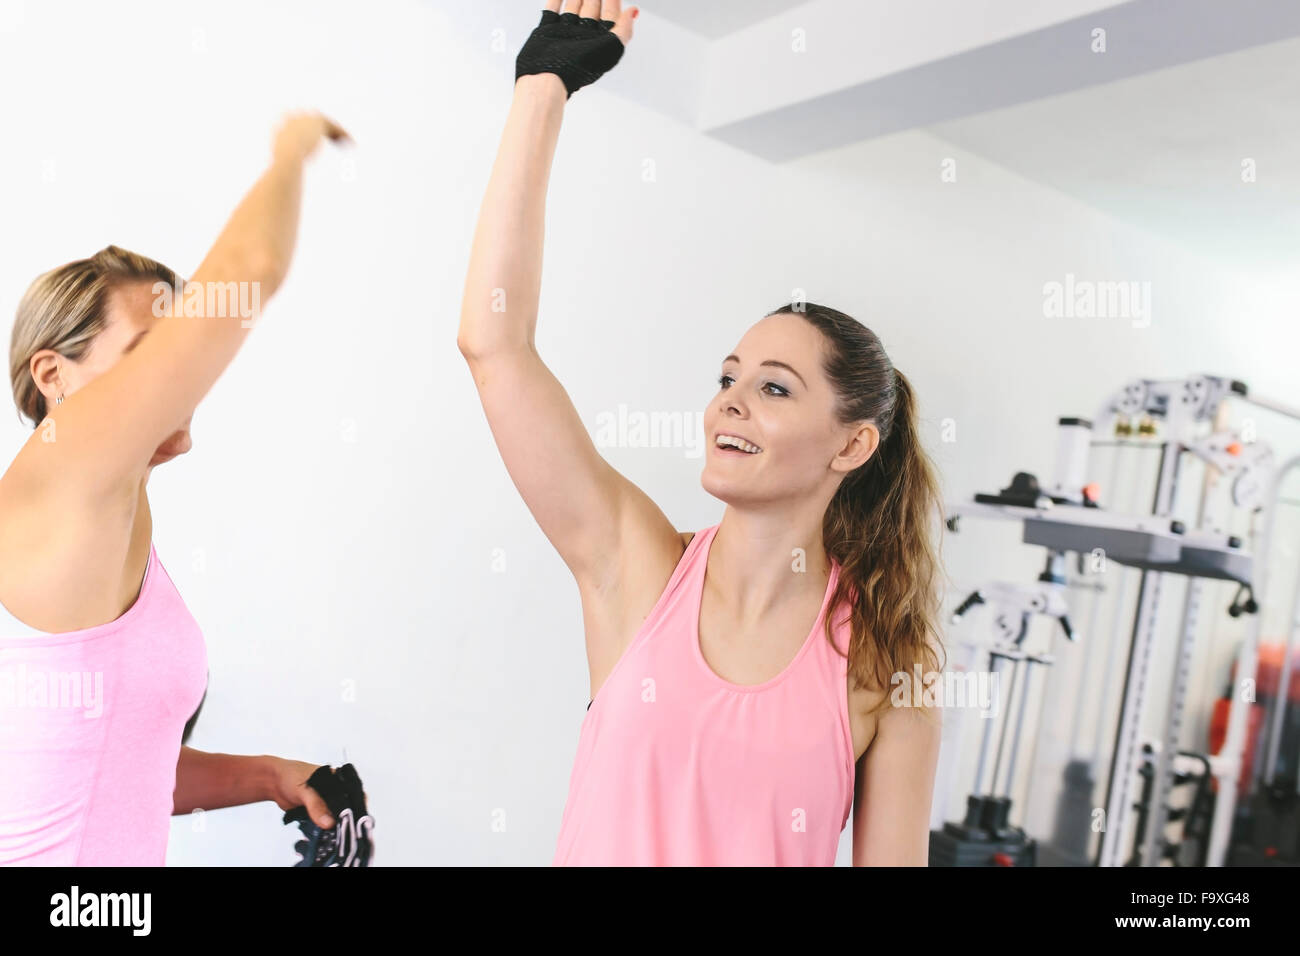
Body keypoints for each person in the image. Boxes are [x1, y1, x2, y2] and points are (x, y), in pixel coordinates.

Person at [458, 0, 947, 865]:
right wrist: (544, 87)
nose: (730, 401)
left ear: (851, 445)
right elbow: (493, 344)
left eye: (773, 388)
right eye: (727, 379)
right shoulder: (636, 568)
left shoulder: (882, 661)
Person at [0, 113, 351, 865]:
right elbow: (249, 265)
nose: (176, 380)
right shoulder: (65, 473)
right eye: (144, 354)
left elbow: (112, 768)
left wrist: (269, 777)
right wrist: (291, 148)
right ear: (53, 376)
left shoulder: (101, 510)